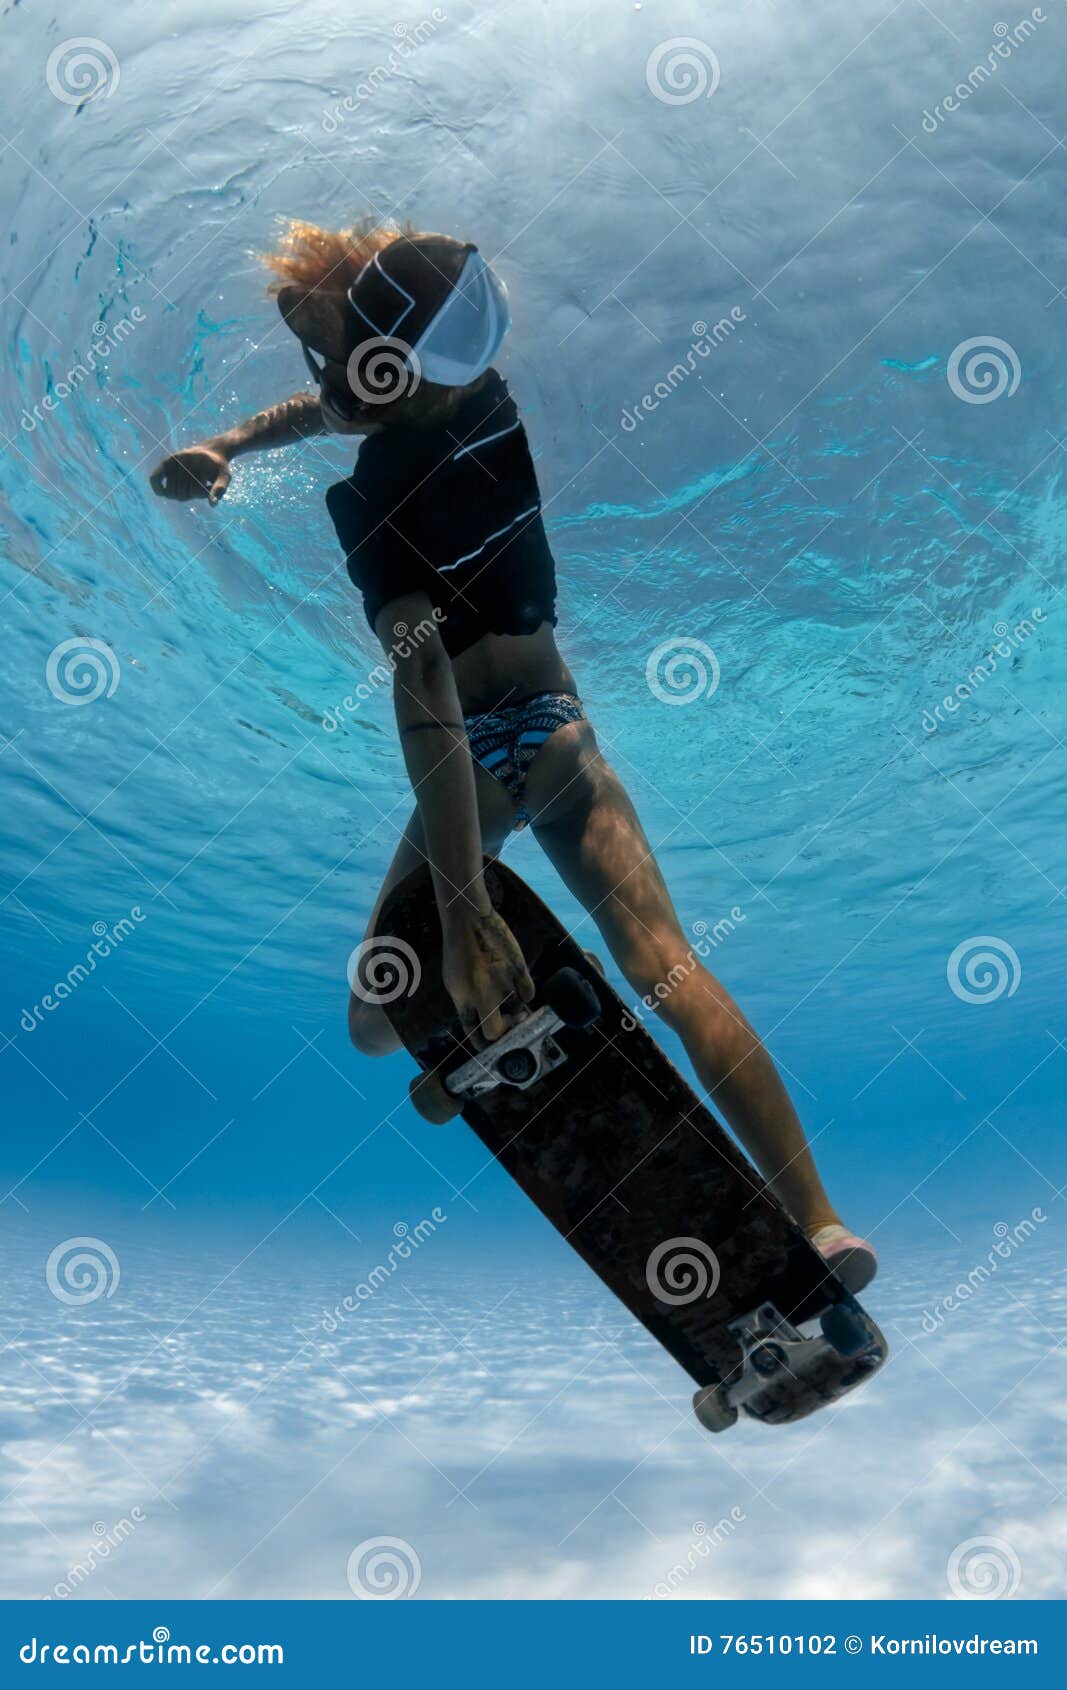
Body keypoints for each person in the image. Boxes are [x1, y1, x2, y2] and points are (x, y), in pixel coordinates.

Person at [150, 217, 877, 1292]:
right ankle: (819, 1222)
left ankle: (502, 990)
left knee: (375, 1018)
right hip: (556, 726)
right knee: (660, 968)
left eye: (340, 363)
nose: (331, 391)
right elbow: (330, 407)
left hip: (483, 751)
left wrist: (459, 906)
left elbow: (425, 698)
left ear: (379, 367)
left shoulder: (374, 508)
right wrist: (230, 443)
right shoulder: (484, 400)